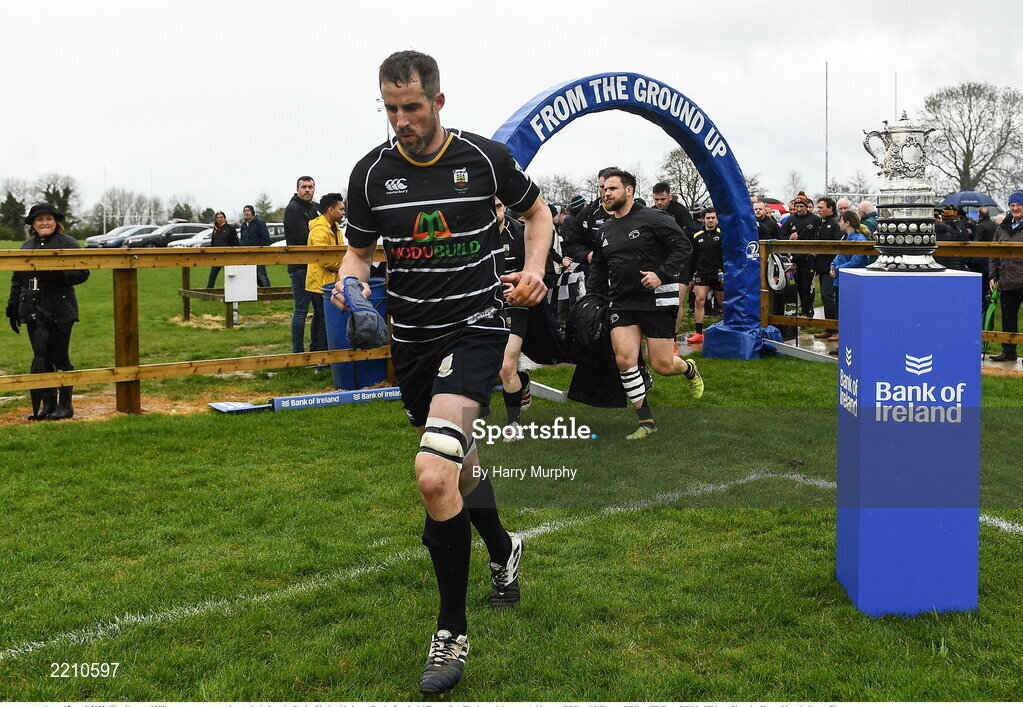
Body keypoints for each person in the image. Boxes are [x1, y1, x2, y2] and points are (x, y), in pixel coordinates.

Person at [333, 50, 552, 695]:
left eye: (412, 107)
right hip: (414, 341)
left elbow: (538, 214)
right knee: (459, 467)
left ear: (439, 102)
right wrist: (355, 291)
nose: (401, 120)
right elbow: (358, 252)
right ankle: (504, 549)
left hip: (477, 328)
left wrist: (535, 271)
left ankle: (451, 630)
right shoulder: (370, 175)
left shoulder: (485, 160)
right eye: (391, 108)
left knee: (432, 474)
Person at [587, 169, 703, 440]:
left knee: (663, 365)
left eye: (613, 189)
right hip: (622, 303)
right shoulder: (604, 229)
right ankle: (646, 421)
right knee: (624, 359)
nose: (606, 193)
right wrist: (593, 298)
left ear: (629, 191)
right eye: (604, 189)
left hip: (657, 300)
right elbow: (599, 269)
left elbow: (683, 247)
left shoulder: (653, 217)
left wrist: (661, 274)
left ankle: (688, 368)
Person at [6, 203, 90, 420]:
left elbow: (83, 271)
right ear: (33, 224)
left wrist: (59, 275)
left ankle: (65, 405)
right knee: (41, 356)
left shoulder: (68, 243)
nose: (44, 223)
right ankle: (48, 404)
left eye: (48, 219)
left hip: (60, 307)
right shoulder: (27, 245)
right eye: (40, 220)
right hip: (32, 307)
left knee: (59, 356)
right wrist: (13, 305)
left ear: (56, 222)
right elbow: (18, 278)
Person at [284, 176, 322, 353]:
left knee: (320, 310)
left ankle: (316, 350)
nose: (307, 190)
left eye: (310, 187)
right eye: (304, 187)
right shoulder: (293, 209)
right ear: (297, 189)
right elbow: (303, 238)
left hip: (316, 266)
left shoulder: (316, 208)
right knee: (301, 310)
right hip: (300, 267)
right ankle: (298, 352)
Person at [305, 193, 346, 354]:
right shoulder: (318, 231)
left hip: (329, 281)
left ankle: (316, 352)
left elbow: (341, 251)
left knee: (320, 318)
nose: (343, 212)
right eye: (341, 209)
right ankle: (322, 359)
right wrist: (344, 265)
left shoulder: (335, 228)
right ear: (331, 210)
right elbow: (326, 260)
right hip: (319, 283)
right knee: (324, 320)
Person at [828, 210, 874, 341]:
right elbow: (839, 255)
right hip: (840, 280)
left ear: (847, 223)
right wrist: (833, 265)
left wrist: (837, 269)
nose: (839, 224)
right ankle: (843, 342)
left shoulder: (860, 240)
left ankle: (851, 341)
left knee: (850, 314)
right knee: (841, 313)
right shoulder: (845, 238)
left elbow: (857, 261)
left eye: (841, 221)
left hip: (851, 281)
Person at [988, 190, 1023, 361]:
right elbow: (993, 253)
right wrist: (992, 276)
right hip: (1007, 281)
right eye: (1012, 205)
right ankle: (1008, 352)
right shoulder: (1002, 228)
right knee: (1008, 319)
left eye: (1018, 205)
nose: (1015, 208)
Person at [685, 207, 724, 345]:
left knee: (723, 303)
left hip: (719, 274)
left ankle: (730, 329)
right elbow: (692, 257)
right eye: (708, 218)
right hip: (702, 273)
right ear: (703, 219)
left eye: (713, 217)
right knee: (699, 300)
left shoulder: (723, 234)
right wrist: (690, 278)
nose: (711, 220)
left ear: (717, 219)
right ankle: (698, 333)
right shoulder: (697, 235)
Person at [780, 191, 821, 318]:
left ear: (806, 206)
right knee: (798, 286)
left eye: (801, 206)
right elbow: (780, 236)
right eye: (796, 207)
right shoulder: (790, 220)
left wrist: (815, 250)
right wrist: (789, 238)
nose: (798, 209)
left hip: (809, 258)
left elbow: (819, 237)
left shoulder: (815, 220)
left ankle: (807, 311)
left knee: (807, 286)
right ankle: (802, 309)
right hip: (795, 258)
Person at [812, 197, 841, 339]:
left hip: (831, 267)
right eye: (817, 207)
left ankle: (836, 330)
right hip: (822, 267)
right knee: (825, 297)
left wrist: (821, 250)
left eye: (821, 207)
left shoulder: (836, 222)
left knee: (829, 297)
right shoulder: (822, 223)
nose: (819, 210)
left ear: (830, 208)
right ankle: (829, 328)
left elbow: (837, 245)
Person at [240, 204, 272, 288]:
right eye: (245, 211)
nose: (246, 212)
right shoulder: (243, 225)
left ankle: (268, 294)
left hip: (258, 253)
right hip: (246, 253)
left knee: (262, 274)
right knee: (252, 274)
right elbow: (242, 238)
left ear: (252, 212)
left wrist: (260, 249)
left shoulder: (260, 222)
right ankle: (260, 291)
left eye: (248, 210)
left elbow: (265, 238)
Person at [206, 211, 239, 288]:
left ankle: (231, 290)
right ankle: (208, 290)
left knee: (229, 275)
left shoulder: (230, 228)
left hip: (228, 255)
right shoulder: (215, 229)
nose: (219, 219)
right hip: (217, 256)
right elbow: (213, 242)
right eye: (218, 217)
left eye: (221, 217)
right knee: (212, 275)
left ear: (224, 218)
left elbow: (235, 242)